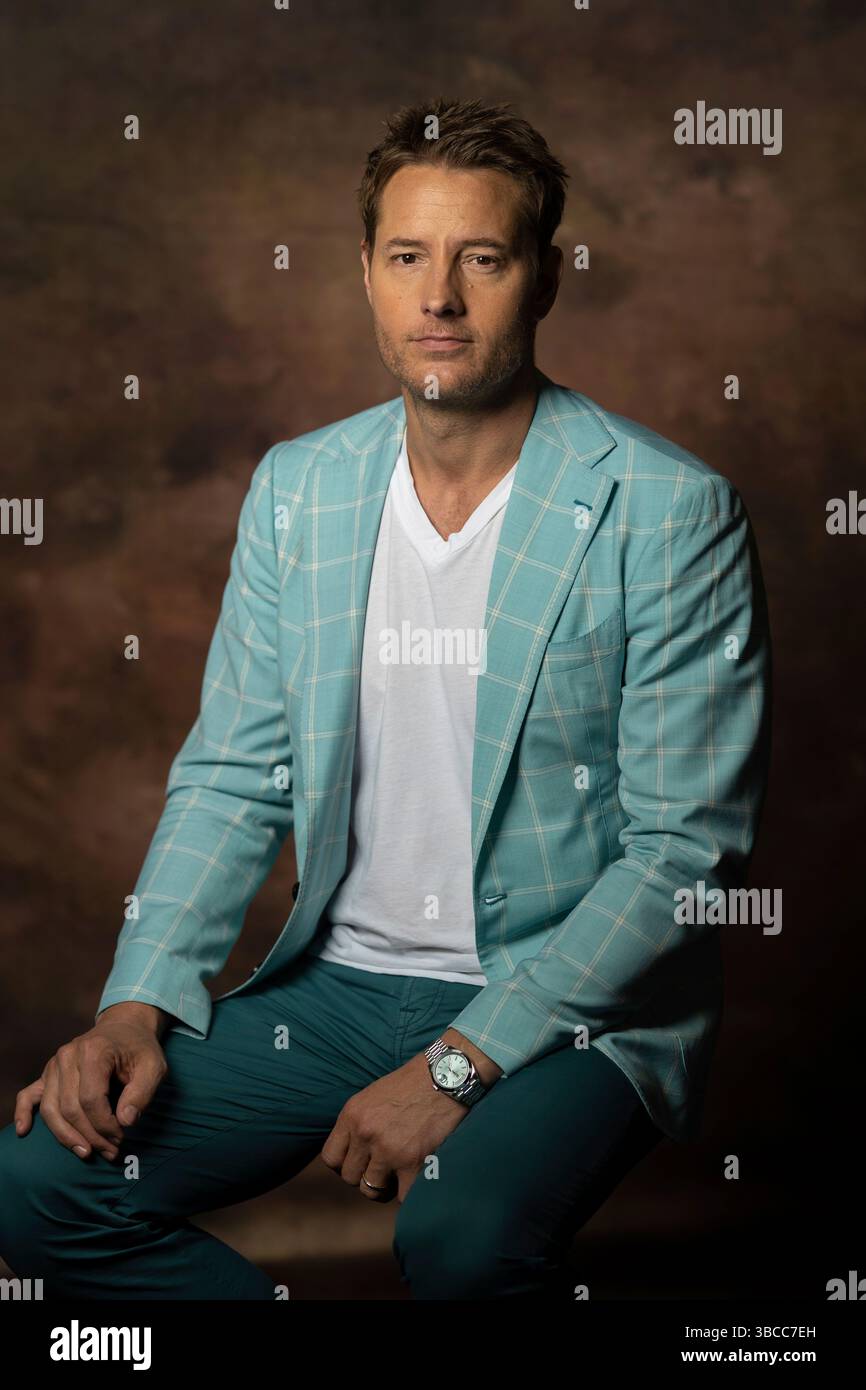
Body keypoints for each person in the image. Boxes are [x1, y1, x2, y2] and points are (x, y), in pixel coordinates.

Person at [0, 96, 771, 1300]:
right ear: (365, 272)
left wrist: (464, 1062)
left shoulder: (667, 510)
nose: (439, 299)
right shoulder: (300, 489)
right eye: (407, 256)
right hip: (340, 984)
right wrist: (136, 1002)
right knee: (42, 1183)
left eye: (481, 257)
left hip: (569, 1004)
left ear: (545, 278)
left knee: (456, 1245)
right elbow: (230, 774)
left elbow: (683, 853)